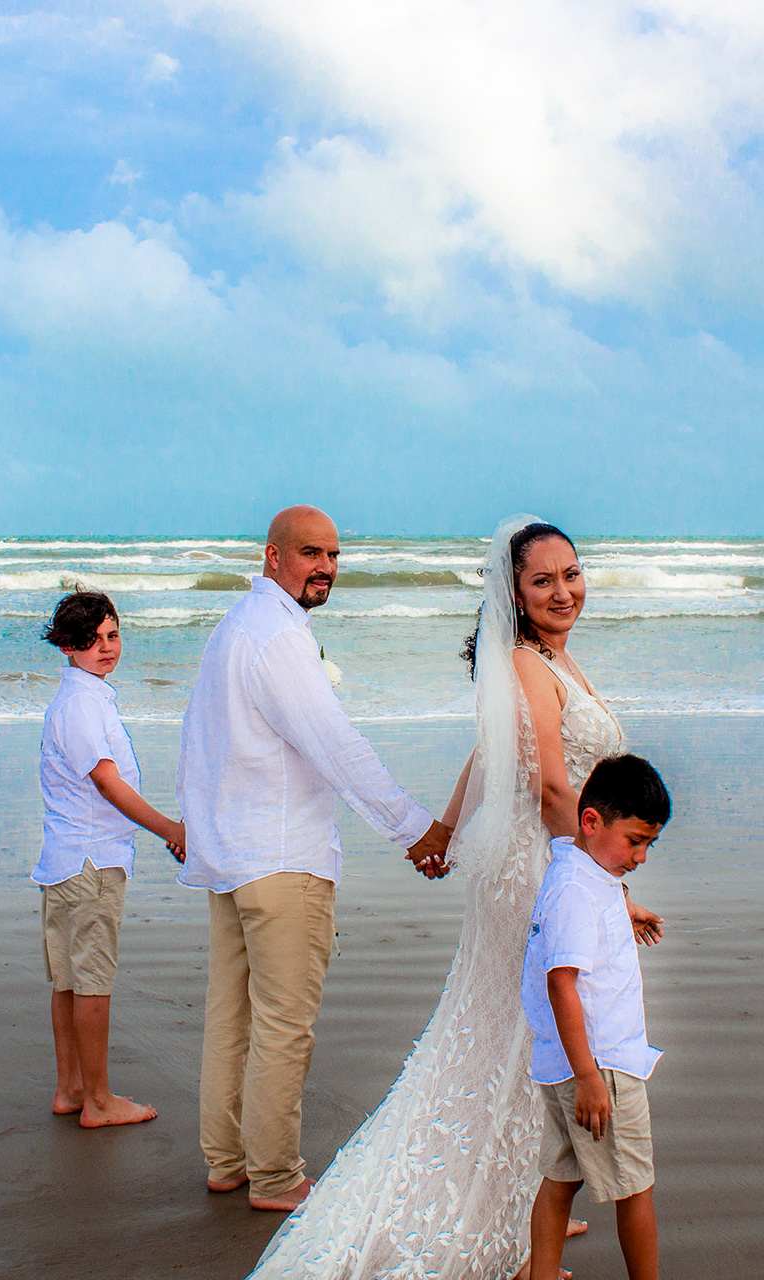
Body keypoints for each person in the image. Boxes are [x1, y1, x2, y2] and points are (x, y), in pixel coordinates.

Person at [247, 515, 663, 1279]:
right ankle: (504, 1210)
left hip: (550, 865)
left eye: (571, 574)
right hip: (549, 871)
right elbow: (547, 788)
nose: (563, 590)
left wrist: (442, 825)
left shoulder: (545, 662)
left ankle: (529, 1206)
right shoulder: (529, 664)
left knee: (514, 1042)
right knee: (522, 1041)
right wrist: (609, 887)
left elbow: (491, 748)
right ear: (514, 592)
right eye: (542, 580)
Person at [175, 505, 451, 1211]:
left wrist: (208, 842)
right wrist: (412, 829)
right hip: (280, 857)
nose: (325, 566)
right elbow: (337, 745)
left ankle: (227, 1160)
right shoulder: (274, 638)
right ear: (272, 556)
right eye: (309, 553)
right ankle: (274, 1176)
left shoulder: (236, 627)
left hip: (236, 856)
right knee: (282, 1023)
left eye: (333, 555)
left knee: (231, 1017)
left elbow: (203, 747)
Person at [31, 589, 186, 1127]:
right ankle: (97, 1099)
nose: (105, 647)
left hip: (69, 861)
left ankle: (72, 1089)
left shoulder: (86, 697)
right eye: (90, 640)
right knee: (90, 981)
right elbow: (106, 780)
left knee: (71, 980)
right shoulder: (79, 705)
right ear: (67, 646)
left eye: (112, 635)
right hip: (90, 863)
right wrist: (169, 828)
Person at [522, 754, 670, 1280]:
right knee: (635, 1186)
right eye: (635, 840)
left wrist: (624, 907)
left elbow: (592, 893)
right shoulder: (575, 891)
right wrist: (588, 1077)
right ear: (592, 822)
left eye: (650, 843)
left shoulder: (579, 868)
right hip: (598, 1063)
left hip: (567, 1062)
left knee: (560, 1177)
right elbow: (561, 980)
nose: (642, 856)